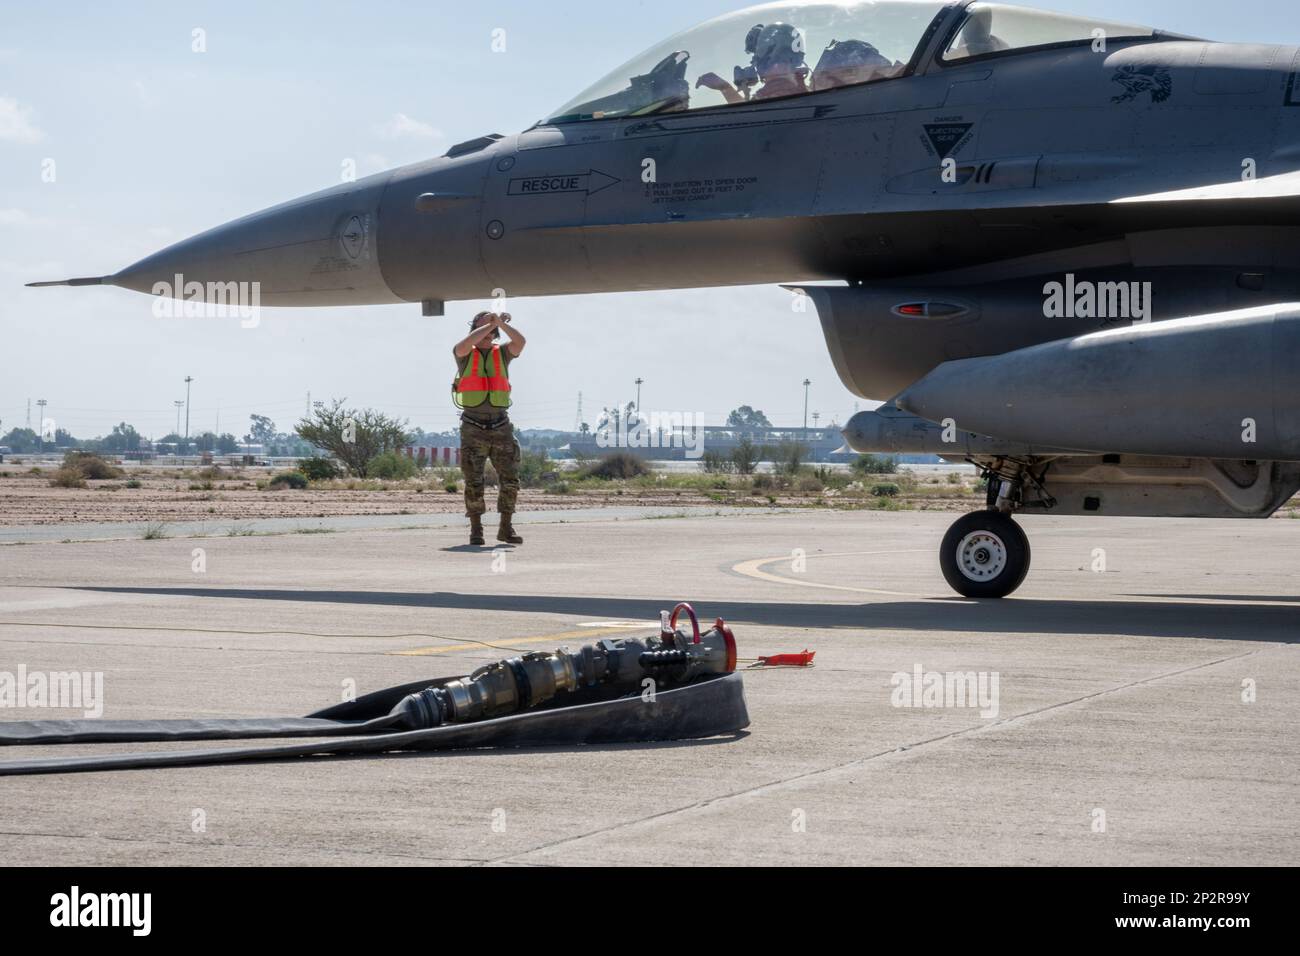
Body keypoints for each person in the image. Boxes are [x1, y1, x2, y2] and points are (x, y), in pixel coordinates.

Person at [452, 311, 526, 545]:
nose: (489, 325)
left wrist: (500, 324)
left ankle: (506, 527)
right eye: (483, 322)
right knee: (473, 480)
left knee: (510, 478)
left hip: (500, 424)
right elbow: (463, 345)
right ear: (474, 327)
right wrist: (490, 323)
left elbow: (520, 342)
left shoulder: (502, 353)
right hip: (473, 426)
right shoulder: (464, 353)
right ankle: (476, 529)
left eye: (491, 324)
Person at [695, 22, 810, 104]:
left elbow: (747, 116)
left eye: (783, 60)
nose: (777, 67)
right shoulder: (809, 91)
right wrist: (725, 88)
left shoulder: (771, 93)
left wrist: (726, 88)